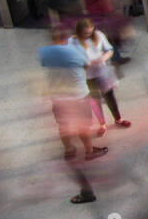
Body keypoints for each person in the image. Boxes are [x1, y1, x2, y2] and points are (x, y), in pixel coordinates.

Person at [38, 26, 107, 175]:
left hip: (58, 96)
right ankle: (89, 151)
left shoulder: (45, 52)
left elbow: (44, 63)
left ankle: (69, 150)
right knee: (83, 126)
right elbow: (86, 65)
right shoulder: (76, 51)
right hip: (78, 95)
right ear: (66, 38)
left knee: (63, 125)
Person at [72, 18, 131, 134]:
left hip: (102, 71)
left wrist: (103, 58)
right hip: (88, 75)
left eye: (90, 32)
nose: (88, 35)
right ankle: (102, 124)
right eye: (85, 33)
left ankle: (118, 119)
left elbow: (109, 50)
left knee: (109, 96)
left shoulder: (99, 35)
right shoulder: (74, 42)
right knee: (95, 100)